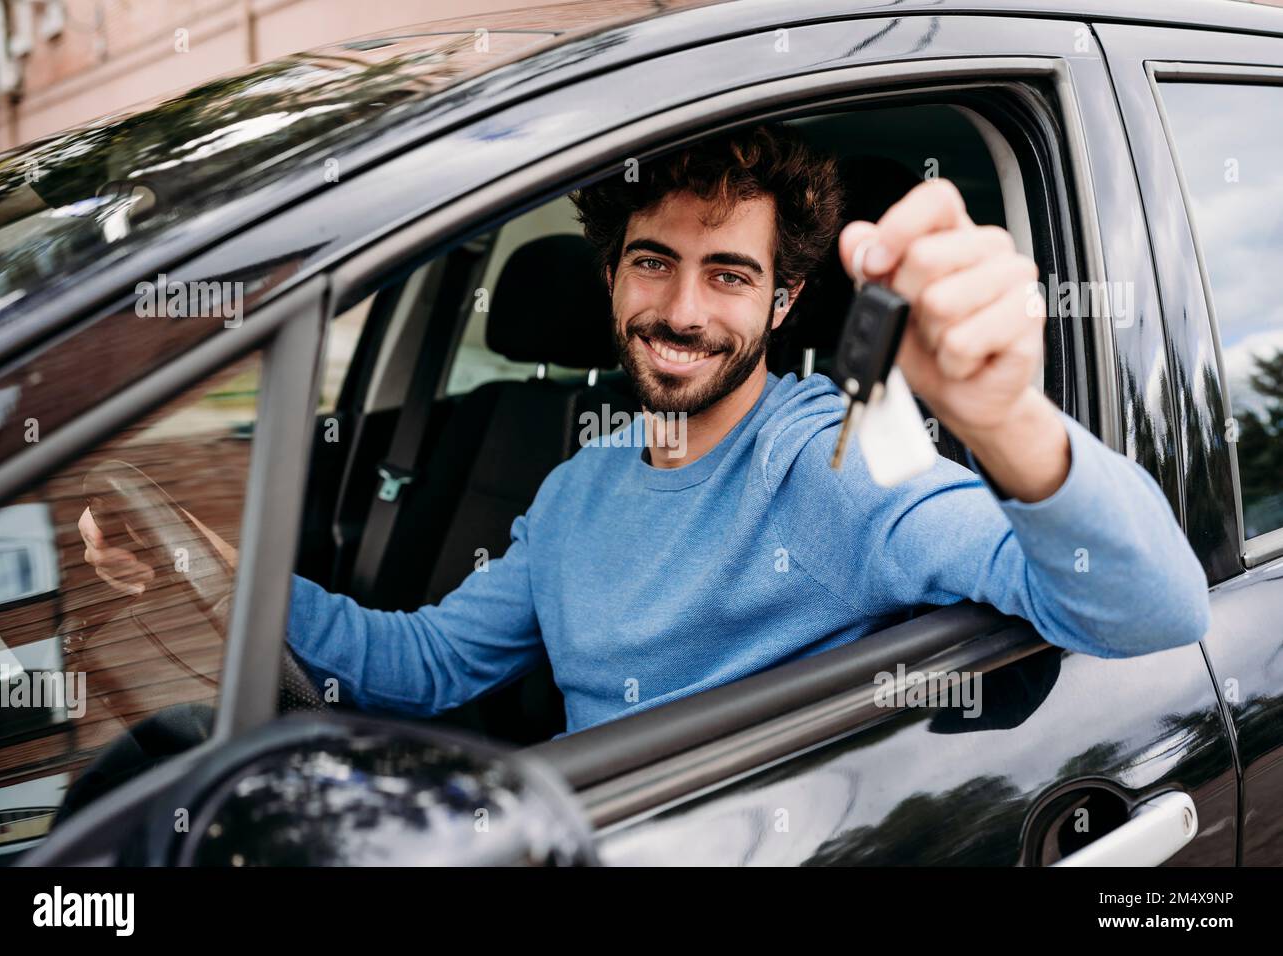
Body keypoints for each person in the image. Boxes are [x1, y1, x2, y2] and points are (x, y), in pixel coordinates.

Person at [81, 123, 1211, 738]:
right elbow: (422, 666)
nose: (680, 310)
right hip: (581, 828)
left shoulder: (844, 462)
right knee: (161, 753)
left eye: (728, 274)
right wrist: (218, 575)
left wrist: (1004, 416)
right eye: (652, 261)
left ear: (780, 302)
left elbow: (1152, 607)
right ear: (612, 275)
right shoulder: (578, 489)